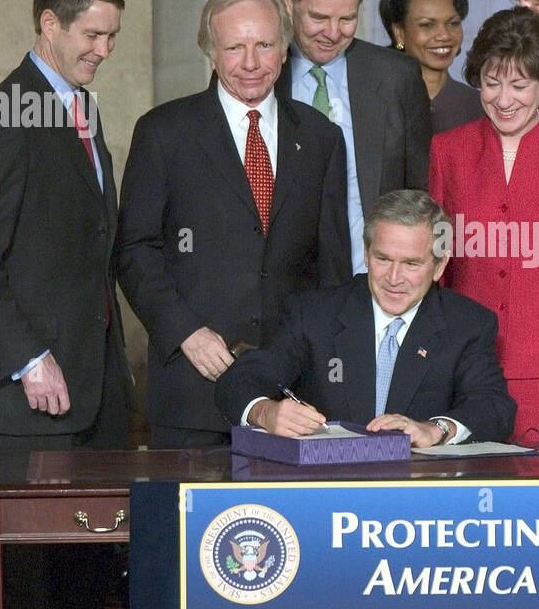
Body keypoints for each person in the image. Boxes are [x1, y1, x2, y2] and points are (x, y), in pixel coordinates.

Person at [0, 0, 134, 609]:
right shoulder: (5, 115)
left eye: (112, 36)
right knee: (29, 598)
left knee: (82, 586)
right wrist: (29, 357)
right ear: (48, 23)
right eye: (90, 34)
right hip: (26, 405)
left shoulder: (78, 105)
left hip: (92, 393)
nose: (103, 51)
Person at [115, 0, 351, 449]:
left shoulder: (321, 137)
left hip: (294, 395)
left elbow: (333, 267)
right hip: (193, 390)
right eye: (234, 47)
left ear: (284, 50)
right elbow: (134, 250)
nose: (251, 63)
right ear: (211, 54)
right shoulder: (164, 133)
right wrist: (184, 331)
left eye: (264, 45)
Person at [429, 7, 539, 443]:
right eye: (491, 84)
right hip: (465, 370)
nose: (503, 99)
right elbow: (436, 272)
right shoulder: (447, 151)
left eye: (519, 85)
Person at [216, 190, 516, 446]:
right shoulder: (315, 313)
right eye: (382, 259)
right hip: (325, 489)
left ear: (439, 266)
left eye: (411, 263)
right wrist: (265, 412)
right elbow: (239, 380)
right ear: (366, 253)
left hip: (421, 494)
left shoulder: (467, 324)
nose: (394, 278)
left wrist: (436, 429)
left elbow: (493, 407)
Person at [276, 0, 432, 274]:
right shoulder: (260, 74)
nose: (332, 34)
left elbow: (423, 191)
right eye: (318, 17)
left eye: (347, 18)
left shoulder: (396, 77)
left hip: (373, 281)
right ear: (289, 2)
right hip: (284, 289)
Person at [379, 0, 483, 134]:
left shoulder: (479, 107)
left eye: (452, 24)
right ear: (399, 32)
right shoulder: (374, 101)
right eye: (427, 25)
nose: (444, 35)